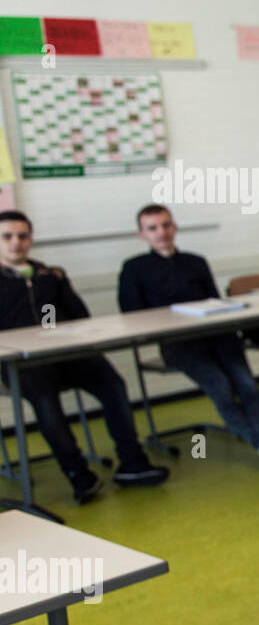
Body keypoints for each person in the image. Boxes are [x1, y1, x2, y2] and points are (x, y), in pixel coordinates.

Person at [118, 205, 259, 469]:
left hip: (217, 335)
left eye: (165, 225)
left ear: (174, 227)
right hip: (179, 343)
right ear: (142, 235)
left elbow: (214, 299)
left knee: (245, 382)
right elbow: (131, 314)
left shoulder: (195, 261)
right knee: (221, 386)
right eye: (153, 228)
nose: (161, 232)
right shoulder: (134, 268)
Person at [0, 210, 168, 503]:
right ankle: (79, 475)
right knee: (46, 403)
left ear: (31, 239)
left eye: (22, 236)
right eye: (7, 237)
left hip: (66, 353)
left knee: (112, 383)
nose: (16, 243)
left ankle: (132, 463)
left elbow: (79, 316)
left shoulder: (49, 275)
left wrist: (56, 328)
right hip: (22, 363)